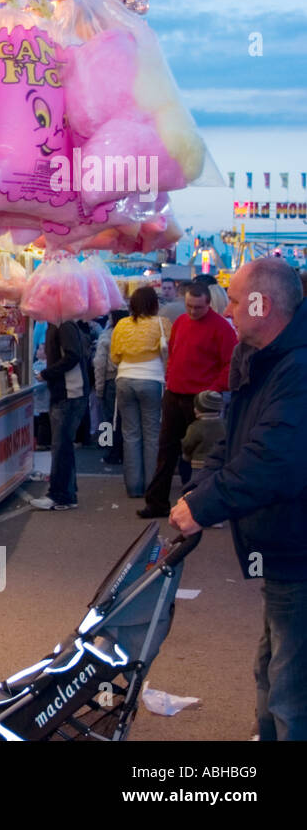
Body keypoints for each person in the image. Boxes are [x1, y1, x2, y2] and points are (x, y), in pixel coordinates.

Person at [170, 258, 307, 740]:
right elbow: (237, 438)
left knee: (291, 682)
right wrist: (198, 492)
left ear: (260, 304)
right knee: (273, 663)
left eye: (232, 299)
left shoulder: (296, 367)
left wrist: (206, 505)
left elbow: (273, 458)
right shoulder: (260, 357)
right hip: (282, 543)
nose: (226, 308)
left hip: (298, 544)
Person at [139, 281, 236, 519]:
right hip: (175, 393)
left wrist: (213, 390)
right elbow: (173, 351)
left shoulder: (221, 328)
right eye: (190, 306)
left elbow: (230, 364)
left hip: (200, 399)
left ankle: (195, 506)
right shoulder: (182, 322)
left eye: (198, 307)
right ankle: (158, 502)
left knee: (199, 455)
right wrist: (170, 377)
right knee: (167, 449)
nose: (193, 311)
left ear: (208, 304)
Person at [110, 286, 167, 499]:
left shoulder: (122, 325)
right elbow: (170, 351)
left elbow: (114, 357)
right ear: (155, 304)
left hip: (124, 379)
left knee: (130, 434)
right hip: (152, 380)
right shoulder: (161, 324)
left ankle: (133, 487)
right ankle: (152, 486)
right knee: (152, 435)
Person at [30, 316, 90, 510]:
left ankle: (59, 494)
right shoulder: (57, 325)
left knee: (61, 445)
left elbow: (72, 356)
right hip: (65, 391)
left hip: (69, 392)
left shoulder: (63, 325)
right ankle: (67, 494)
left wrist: (47, 373)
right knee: (63, 446)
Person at [94, 309, 128, 465]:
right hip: (128, 379)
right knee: (126, 419)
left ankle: (111, 451)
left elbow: (99, 364)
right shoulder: (130, 335)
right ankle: (125, 452)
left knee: (109, 419)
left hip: (110, 381)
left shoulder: (107, 337)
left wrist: (99, 388)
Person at [181, 390, 224, 471]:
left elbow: (188, 444)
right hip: (218, 462)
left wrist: (186, 455)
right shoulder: (224, 425)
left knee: (198, 482)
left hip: (199, 464)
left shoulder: (196, 427)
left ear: (199, 409)